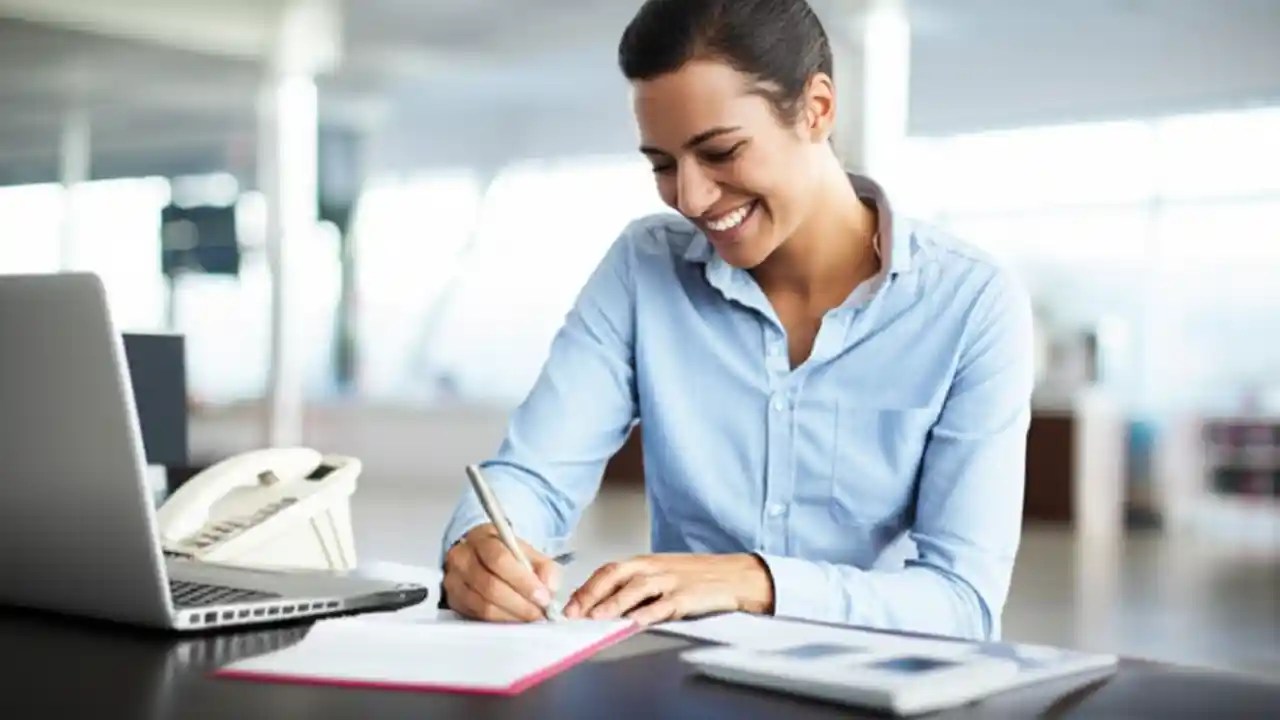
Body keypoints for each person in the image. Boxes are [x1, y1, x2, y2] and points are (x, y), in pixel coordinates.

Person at [439, 0, 1032, 641]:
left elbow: (963, 602)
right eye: (663, 165)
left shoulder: (970, 303)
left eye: (719, 151)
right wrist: (484, 546)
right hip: (679, 685)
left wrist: (754, 580)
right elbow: (534, 476)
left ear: (817, 109)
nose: (690, 198)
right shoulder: (644, 269)